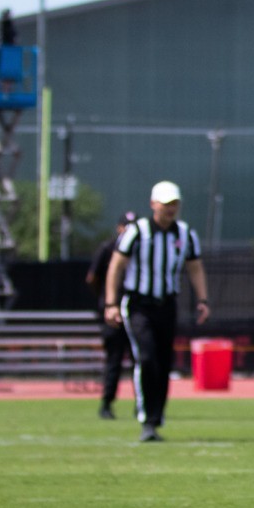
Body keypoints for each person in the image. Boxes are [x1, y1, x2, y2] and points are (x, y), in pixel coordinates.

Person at [104, 182, 210, 443]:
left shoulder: (185, 233)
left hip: (167, 304)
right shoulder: (136, 232)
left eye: (174, 203)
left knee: (163, 363)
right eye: (165, 204)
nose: (170, 209)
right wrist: (111, 303)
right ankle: (146, 419)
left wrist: (203, 299)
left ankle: (156, 418)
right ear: (153, 204)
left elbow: (194, 267)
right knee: (147, 357)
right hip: (138, 304)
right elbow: (116, 266)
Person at [86, 211, 138, 420]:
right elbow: (92, 278)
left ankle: (142, 405)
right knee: (114, 360)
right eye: (126, 226)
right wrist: (106, 301)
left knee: (140, 362)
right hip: (113, 312)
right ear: (119, 228)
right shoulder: (108, 248)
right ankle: (107, 403)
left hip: (135, 312)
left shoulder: (140, 248)